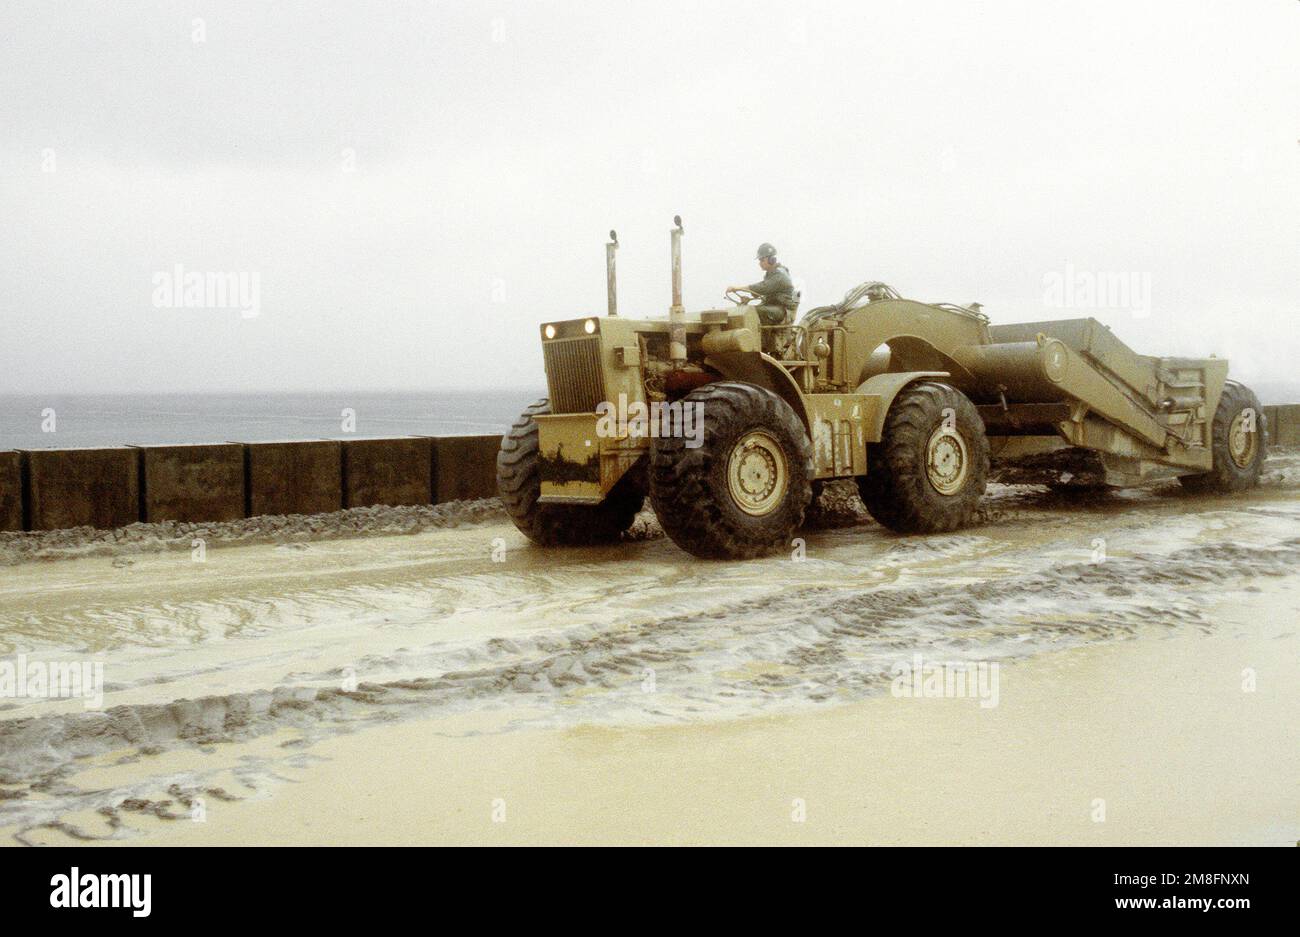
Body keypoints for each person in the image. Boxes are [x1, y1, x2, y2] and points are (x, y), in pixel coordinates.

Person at [728, 242, 798, 326]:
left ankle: (764, 339)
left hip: (784, 311)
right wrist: (748, 299)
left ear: (771, 260)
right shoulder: (771, 274)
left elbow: (763, 287)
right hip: (774, 308)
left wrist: (737, 288)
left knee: (753, 312)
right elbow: (763, 293)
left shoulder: (780, 275)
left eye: (762, 260)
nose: (760, 263)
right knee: (747, 310)